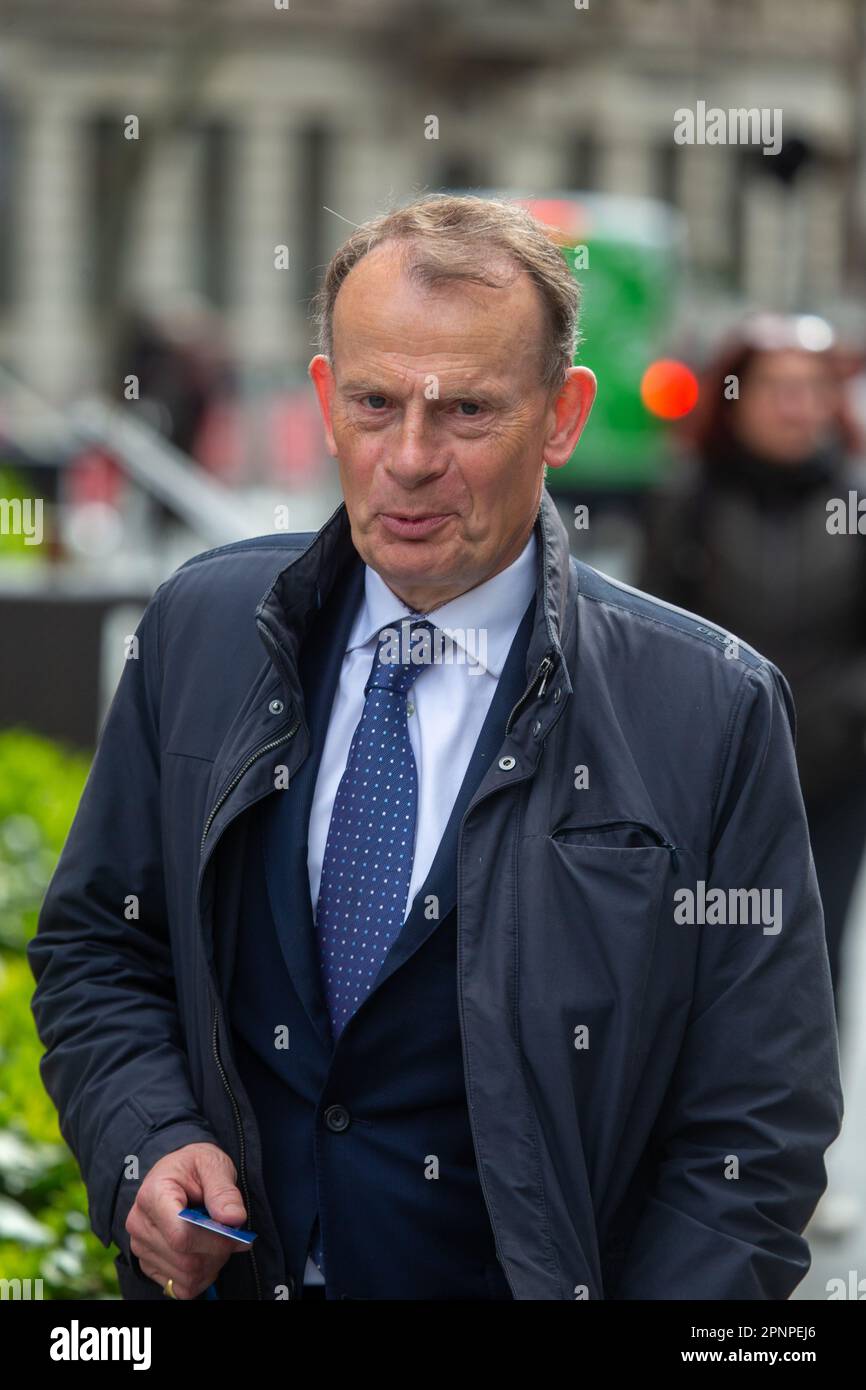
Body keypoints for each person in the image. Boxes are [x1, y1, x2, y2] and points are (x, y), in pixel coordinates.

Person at [29, 196, 841, 1301]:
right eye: (372, 402)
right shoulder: (199, 631)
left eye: (464, 409)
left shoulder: (709, 709)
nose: (407, 458)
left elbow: (753, 1123)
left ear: (560, 417)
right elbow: (97, 947)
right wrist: (146, 1136)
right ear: (323, 398)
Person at [638, 314, 866, 1038]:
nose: (799, 407)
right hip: (711, 778)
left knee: (811, 953)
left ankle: (796, 1134)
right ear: (737, 397)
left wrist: (846, 714)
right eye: (779, 389)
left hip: (833, 779)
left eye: (816, 390)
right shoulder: (689, 499)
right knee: (707, 954)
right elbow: (648, 638)